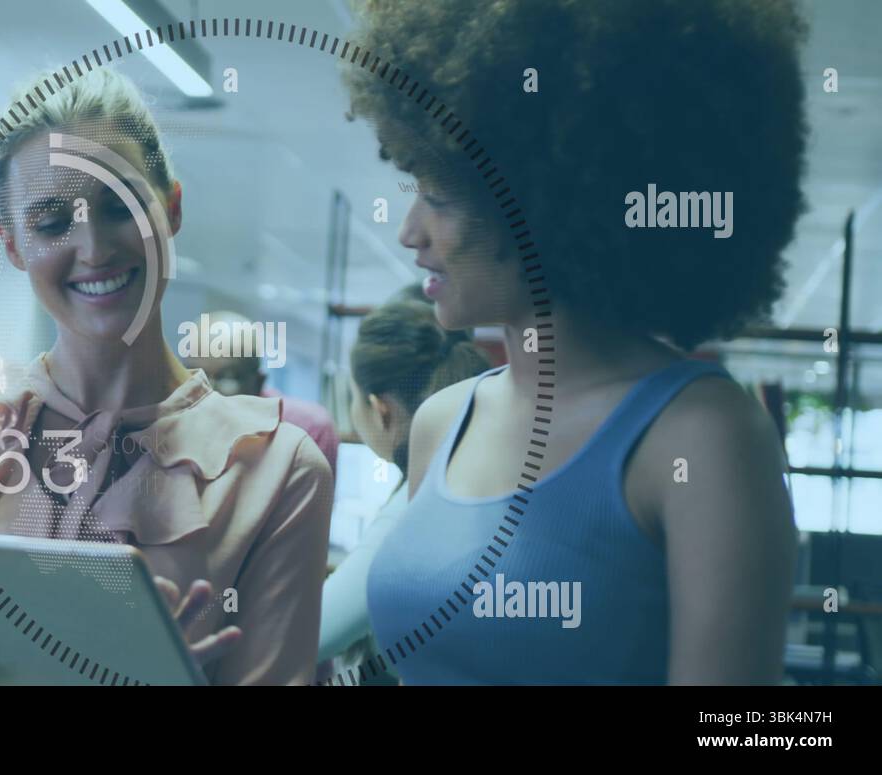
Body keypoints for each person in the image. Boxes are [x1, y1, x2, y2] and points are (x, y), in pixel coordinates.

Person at [0, 68, 333, 686]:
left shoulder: (275, 467)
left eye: (120, 207)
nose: (94, 248)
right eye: (53, 222)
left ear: (172, 209)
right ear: (13, 246)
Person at [346, 0, 805, 684]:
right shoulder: (444, 422)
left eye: (439, 196)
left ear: (543, 200)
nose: (410, 231)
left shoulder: (703, 435)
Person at [318, 289, 489, 676]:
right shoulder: (469, 469)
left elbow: (308, 634)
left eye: (353, 398)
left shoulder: (416, 503)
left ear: (380, 410)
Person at [184, 309, 339, 474]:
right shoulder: (175, 425)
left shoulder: (308, 427)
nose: (207, 391)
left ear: (258, 383)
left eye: (227, 377)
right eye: (195, 374)